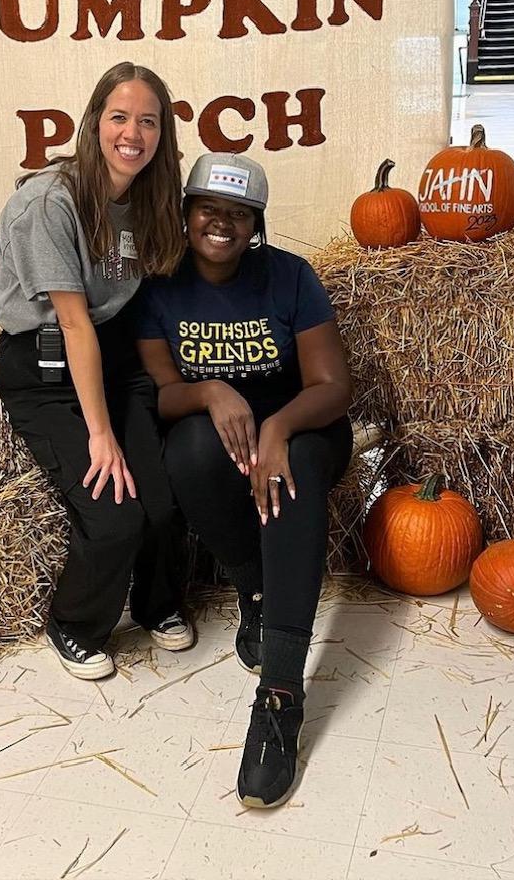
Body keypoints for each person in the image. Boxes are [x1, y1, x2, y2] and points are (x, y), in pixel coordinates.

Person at [136, 152, 353, 809]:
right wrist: (210, 391)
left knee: (294, 473)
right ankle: (255, 589)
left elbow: (333, 386)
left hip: (304, 431)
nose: (222, 223)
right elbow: (161, 395)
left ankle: (281, 695)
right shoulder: (160, 286)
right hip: (223, 438)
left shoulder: (290, 276)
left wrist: (279, 426)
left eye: (239, 213)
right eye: (209, 209)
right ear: (186, 214)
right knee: (188, 450)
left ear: (256, 224)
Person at [0, 61, 194, 680]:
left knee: (162, 501)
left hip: (115, 356)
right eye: (120, 117)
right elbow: (75, 325)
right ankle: (74, 624)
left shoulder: (149, 197)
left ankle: (157, 604)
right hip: (47, 365)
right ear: (94, 122)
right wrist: (102, 435)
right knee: (115, 515)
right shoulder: (49, 203)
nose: (133, 134)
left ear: (162, 135)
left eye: (148, 122)